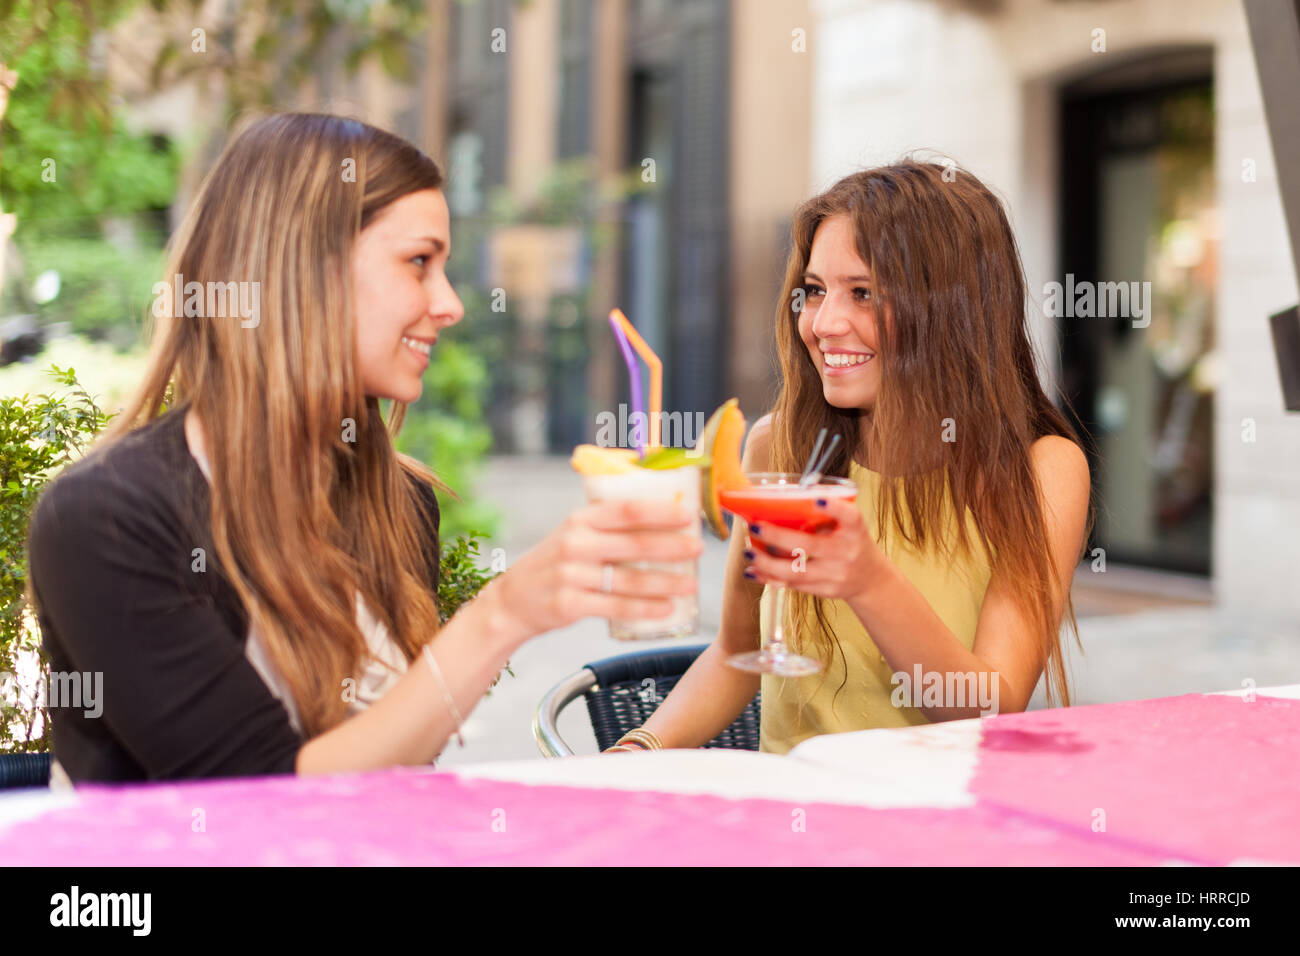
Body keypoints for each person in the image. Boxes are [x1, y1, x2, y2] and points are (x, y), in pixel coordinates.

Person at [26, 113, 701, 784]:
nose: (450, 304)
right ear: (303, 272)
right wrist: (503, 614)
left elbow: (393, 772)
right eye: (418, 263)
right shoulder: (105, 516)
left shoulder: (398, 502)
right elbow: (252, 801)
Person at [621, 160, 1094, 756]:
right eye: (815, 291)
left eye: (864, 293)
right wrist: (639, 749)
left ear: (956, 311)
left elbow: (989, 708)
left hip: (935, 828)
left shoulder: (1043, 470)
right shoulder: (778, 445)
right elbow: (735, 657)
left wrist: (866, 578)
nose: (823, 323)